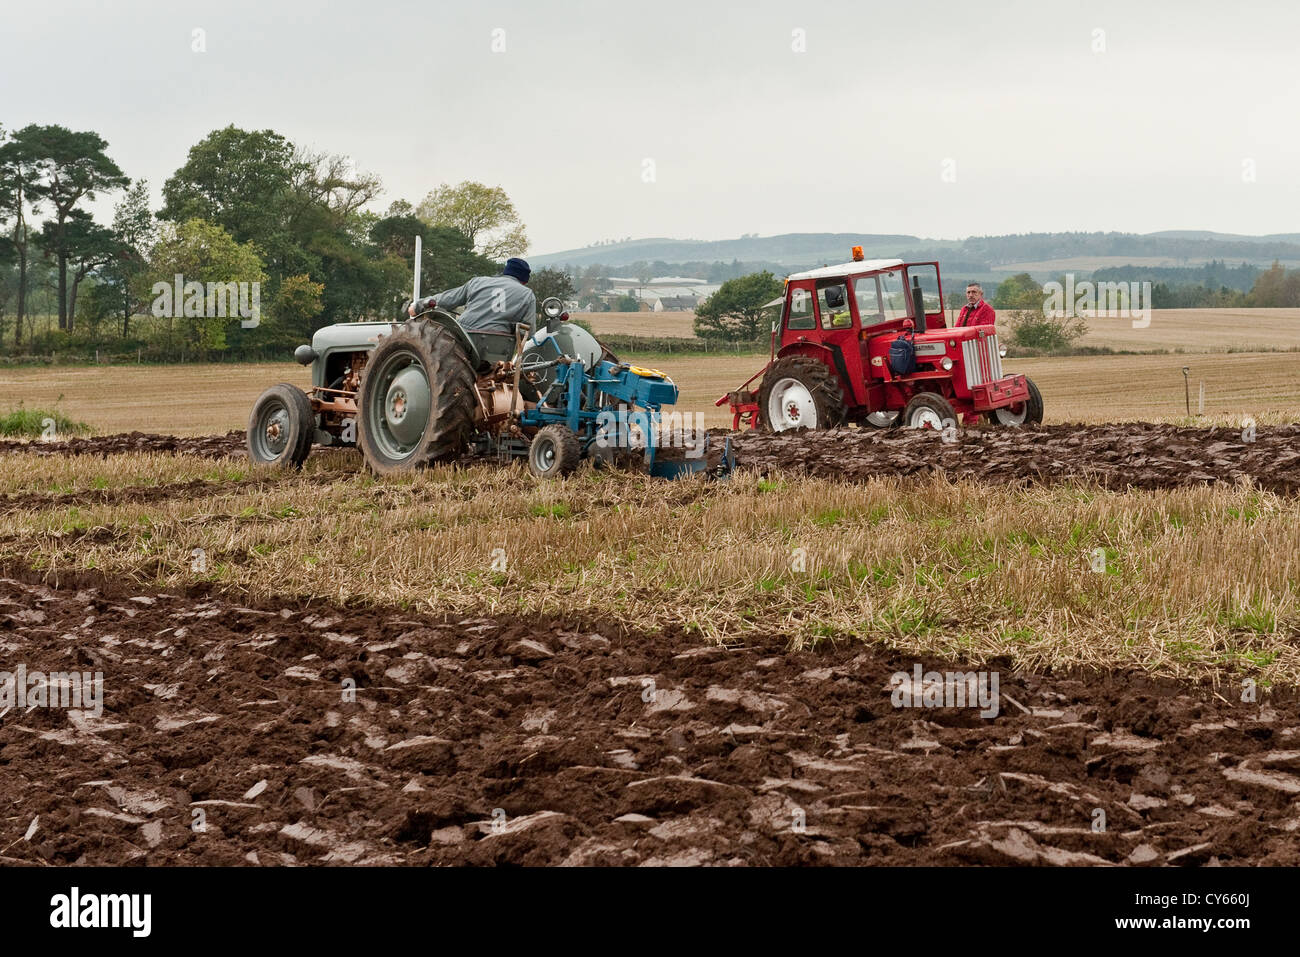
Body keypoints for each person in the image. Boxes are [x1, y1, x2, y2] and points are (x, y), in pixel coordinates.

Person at [408, 257, 536, 336]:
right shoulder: (527, 294)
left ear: (505, 271)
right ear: (524, 280)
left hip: (464, 338)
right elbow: (528, 333)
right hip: (500, 345)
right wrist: (511, 326)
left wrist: (418, 305)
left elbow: (447, 299)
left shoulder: (477, 282)